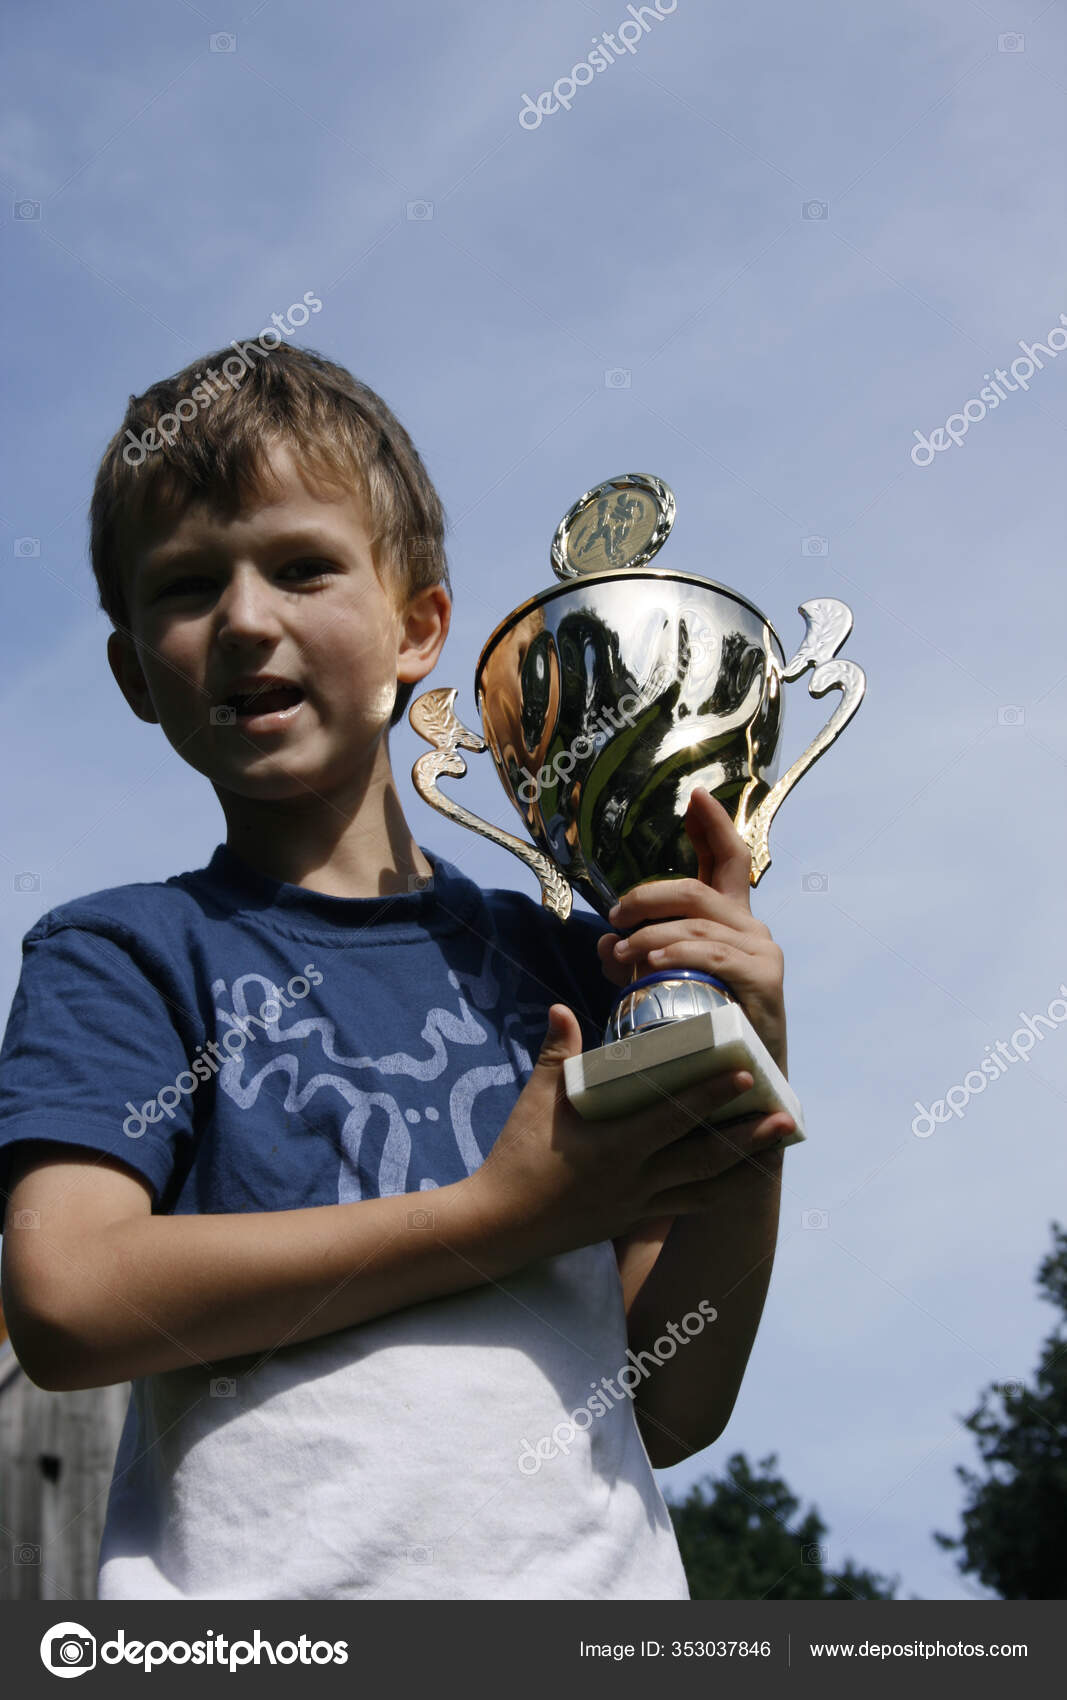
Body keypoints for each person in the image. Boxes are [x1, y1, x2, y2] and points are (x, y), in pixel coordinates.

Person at [0, 341, 795, 1600]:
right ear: (132, 671)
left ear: (417, 625)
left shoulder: (563, 960)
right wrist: (495, 1217)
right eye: (188, 585)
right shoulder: (121, 952)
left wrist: (739, 1100)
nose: (246, 620)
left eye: (304, 566)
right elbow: (66, 1297)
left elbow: (673, 1402)